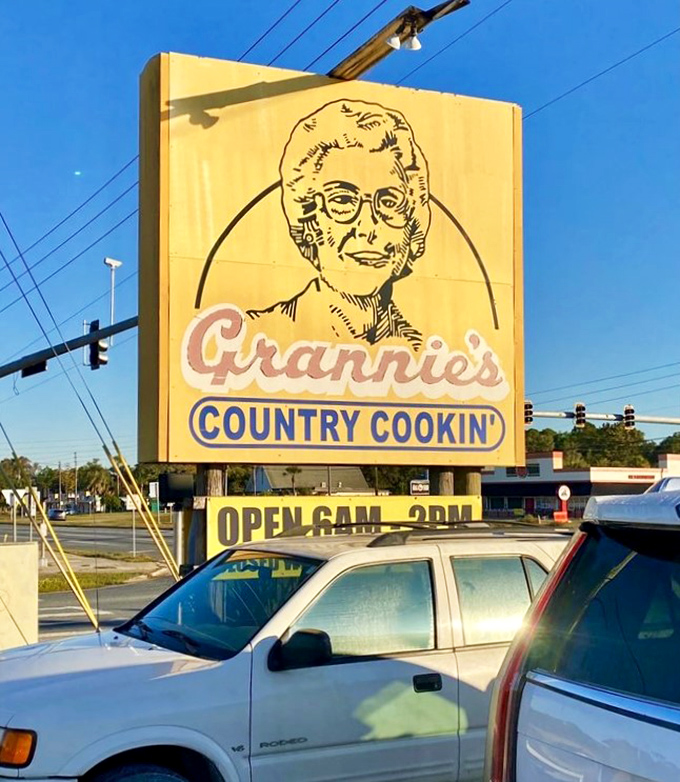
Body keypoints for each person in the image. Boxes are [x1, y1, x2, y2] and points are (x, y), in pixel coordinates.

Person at [247, 99, 431, 351]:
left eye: (389, 201)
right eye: (343, 200)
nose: (368, 228)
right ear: (309, 220)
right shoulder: (251, 339)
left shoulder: (428, 350)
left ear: (411, 222)